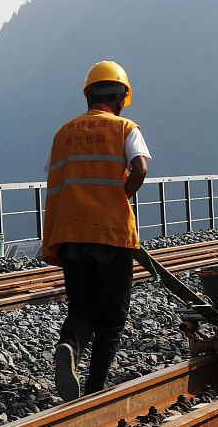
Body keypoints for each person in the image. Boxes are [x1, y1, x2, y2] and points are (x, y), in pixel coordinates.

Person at [42, 61, 151, 401]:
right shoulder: (125, 128)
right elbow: (140, 167)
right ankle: (94, 390)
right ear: (122, 98)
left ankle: (70, 346)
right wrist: (122, 195)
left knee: (82, 305)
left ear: (88, 95)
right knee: (113, 315)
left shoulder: (63, 134)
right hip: (111, 235)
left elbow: (56, 178)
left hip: (71, 233)